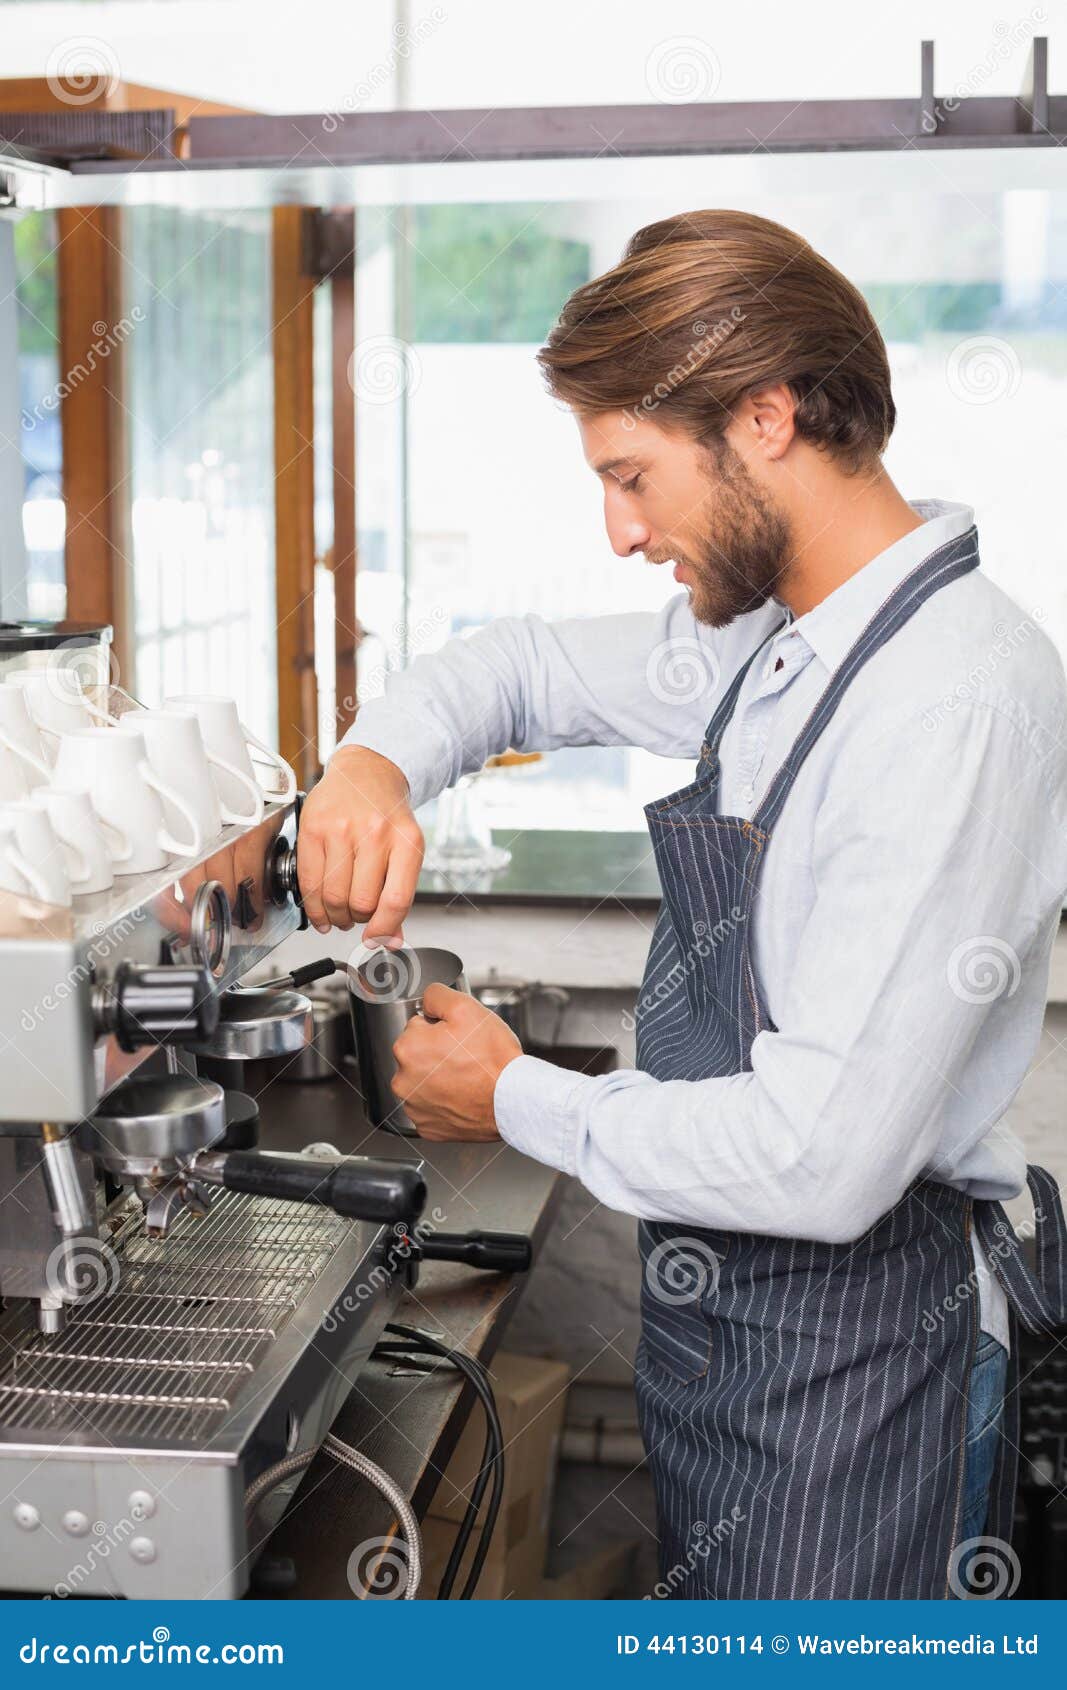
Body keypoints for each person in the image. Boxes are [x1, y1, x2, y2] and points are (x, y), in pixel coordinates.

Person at [297, 209, 1067, 1598]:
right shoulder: (786, 638)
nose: (620, 530)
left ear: (765, 417)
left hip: (866, 1367)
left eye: (634, 475)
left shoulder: (949, 701)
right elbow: (517, 668)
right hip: (750, 1346)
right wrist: (370, 766)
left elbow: (821, 1161)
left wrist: (514, 1092)